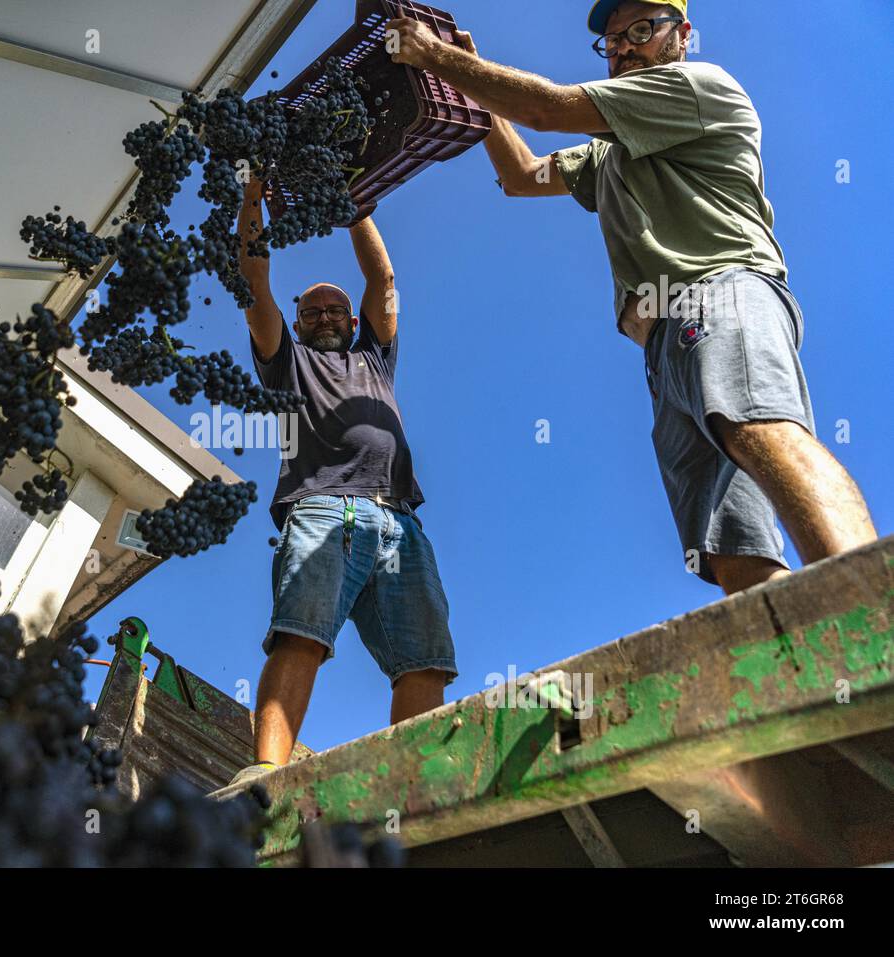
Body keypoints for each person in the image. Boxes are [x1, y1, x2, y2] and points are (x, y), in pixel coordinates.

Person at [386, 0, 877, 594]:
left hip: (719, 297)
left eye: (640, 31)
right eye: (612, 41)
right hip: (664, 344)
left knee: (759, 428)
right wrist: (467, 80)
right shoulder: (610, 152)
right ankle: (791, 663)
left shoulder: (698, 87)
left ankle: (867, 596)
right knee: (728, 540)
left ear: (683, 35)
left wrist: (438, 57)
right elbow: (521, 175)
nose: (622, 47)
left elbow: (546, 108)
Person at [220, 177, 457, 791]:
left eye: (334, 310)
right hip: (322, 511)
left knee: (424, 660)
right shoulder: (285, 361)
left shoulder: (376, 357)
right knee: (301, 635)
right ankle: (265, 776)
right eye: (311, 312)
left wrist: (355, 207)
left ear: (351, 321)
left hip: (399, 522)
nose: (323, 317)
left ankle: (413, 787)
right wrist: (254, 198)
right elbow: (253, 284)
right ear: (296, 324)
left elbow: (384, 282)